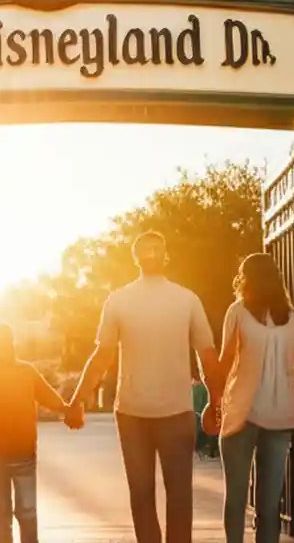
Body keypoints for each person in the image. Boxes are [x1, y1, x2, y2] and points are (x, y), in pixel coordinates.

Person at [68, 231, 222, 543]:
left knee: (141, 495)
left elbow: (102, 356)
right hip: (173, 412)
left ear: (136, 259)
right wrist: (215, 401)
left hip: (133, 413)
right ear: (164, 256)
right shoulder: (186, 299)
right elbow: (206, 355)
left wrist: (77, 401)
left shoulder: (119, 299)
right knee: (179, 496)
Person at [210, 253, 294, 543]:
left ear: (246, 279)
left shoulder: (239, 312)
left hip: (244, 415)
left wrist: (214, 401)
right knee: (264, 503)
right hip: (273, 416)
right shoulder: (293, 319)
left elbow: (225, 363)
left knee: (244, 500)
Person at [0, 323, 77, 543]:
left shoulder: (26, 373)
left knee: (23, 511)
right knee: (4, 512)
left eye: (2, 344)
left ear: (11, 343)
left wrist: (67, 409)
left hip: (22, 452)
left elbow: (47, 395)